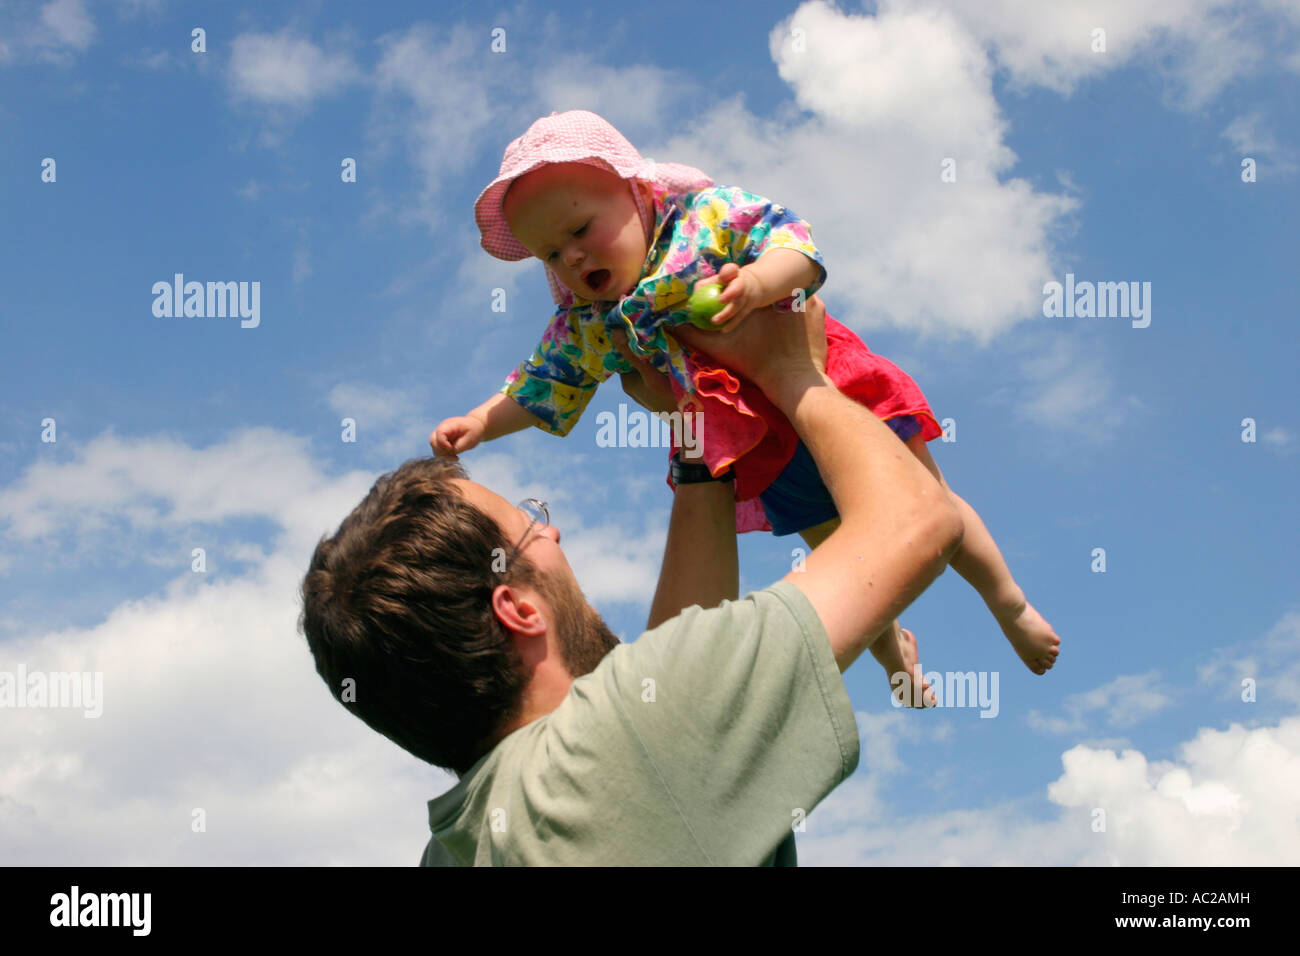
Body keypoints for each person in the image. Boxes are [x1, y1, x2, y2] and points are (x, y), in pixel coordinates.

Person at [299, 297, 963, 865]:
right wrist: (794, 370)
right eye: (533, 526)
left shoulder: (459, 845)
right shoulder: (620, 752)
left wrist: (701, 440)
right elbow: (918, 519)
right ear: (516, 609)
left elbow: (670, 683)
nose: (554, 534)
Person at [430, 109, 1060, 675]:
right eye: (552, 253)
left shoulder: (704, 223)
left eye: (582, 230)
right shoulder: (591, 324)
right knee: (843, 558)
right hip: (753, 446)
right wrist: (483, 421)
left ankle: (1009, 602)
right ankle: (895, 656)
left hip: (829, 384)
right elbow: (544, 383)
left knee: (929, 496)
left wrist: (759, 282)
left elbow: (797, 245)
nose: (571, 257)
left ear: (637, 193)